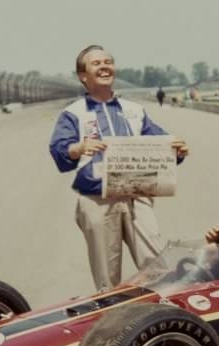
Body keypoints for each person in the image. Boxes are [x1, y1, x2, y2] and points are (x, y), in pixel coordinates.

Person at [49, 44, 189, 291]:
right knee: (107, 279)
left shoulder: (134, 110)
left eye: (108, 62)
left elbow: (160, 141)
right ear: (83, 75)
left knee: (159, 267)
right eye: (96, 63)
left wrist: (177, 149)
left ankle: (163, 316)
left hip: (137, 194)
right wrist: (79, 148)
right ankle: (113, 319)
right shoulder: (73, 114)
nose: (104, 66)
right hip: (97, 198)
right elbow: (59, 150)